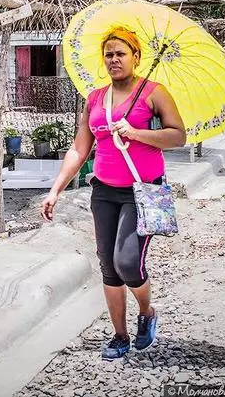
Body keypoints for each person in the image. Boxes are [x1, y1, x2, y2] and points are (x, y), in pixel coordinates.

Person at [40, 29, 186, 359]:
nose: (114, 59)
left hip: (142, 191)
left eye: (121, 53)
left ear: (136, 56)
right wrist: (55, 191)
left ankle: (146, 313)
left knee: (128, 262)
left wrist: (136, 132)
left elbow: (178, 136)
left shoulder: (154, 93)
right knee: (108, 266)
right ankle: (120, 335)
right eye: (109, 54)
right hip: (104, 192)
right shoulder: (95, 99)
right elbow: (79, 149)